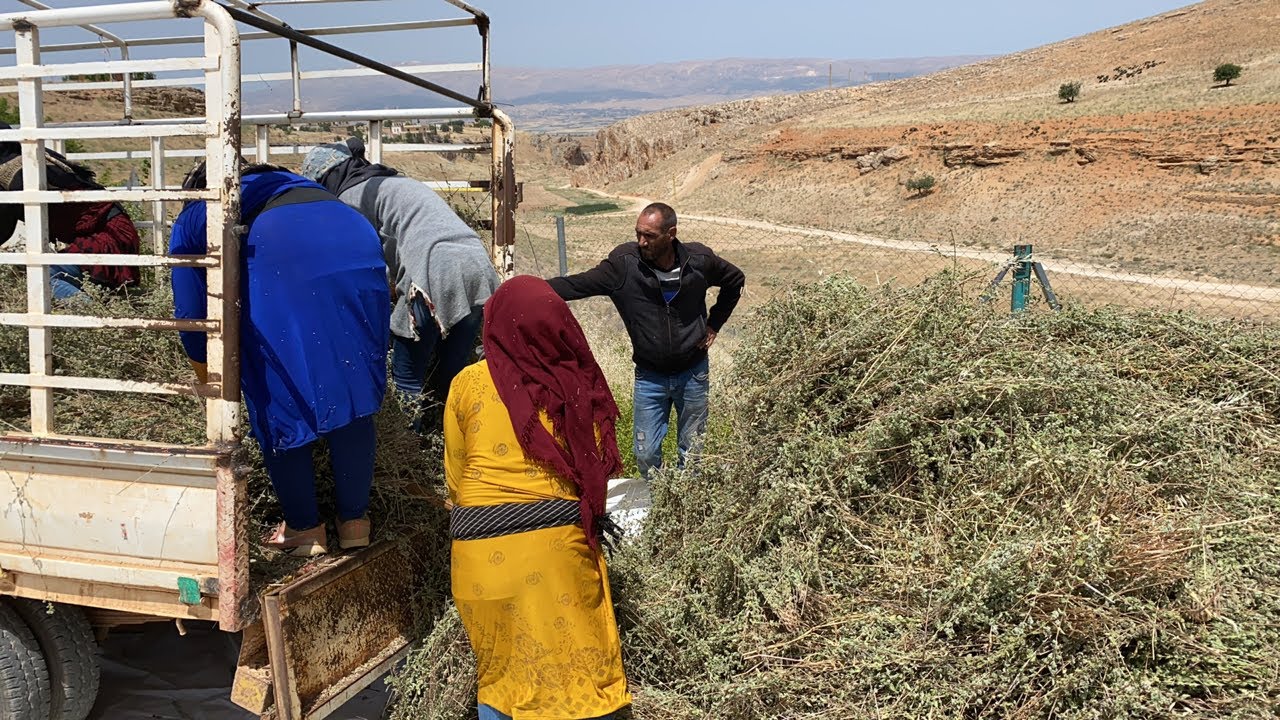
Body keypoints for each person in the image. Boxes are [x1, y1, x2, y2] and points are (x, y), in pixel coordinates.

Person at [170, 161, 390, 556]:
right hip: (354, 234)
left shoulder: (198, 211)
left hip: (282, 249)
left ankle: (304, 528)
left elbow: (191, 313)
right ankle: (355, 522)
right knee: (351, 381)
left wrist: (206, 376)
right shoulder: (291, 185)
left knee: (277, 388)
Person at [444, 275, 631, 720]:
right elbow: (592, 472)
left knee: (500, 677)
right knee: (578, 679)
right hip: (552, 559)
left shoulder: (466, 383)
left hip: (476, 558)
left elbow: (454, 480)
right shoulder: (571, 383)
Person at [299, 138, 499, 433]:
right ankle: (456, 440)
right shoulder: (391, 182)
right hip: (478, 269)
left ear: (326, 178)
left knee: (407, 377)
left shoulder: (351, 198)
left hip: (433, 273)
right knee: (454, 371)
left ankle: (412, 449)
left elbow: (364, 268)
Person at [549, 202, 745, 478]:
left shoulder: (699, 261)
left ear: (671, 234)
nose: (641, 242)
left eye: (649, 236)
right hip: (649, 377)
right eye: (638, 233)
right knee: (646, 453)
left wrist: (715, 324)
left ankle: (685, 499)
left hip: (693, 373)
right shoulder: (624, 266)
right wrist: (526, 290)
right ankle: (661, 495)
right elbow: (576, 285)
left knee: (692, 452)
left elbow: (735, 280)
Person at [0, 122, 141, 299]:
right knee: (43, 272)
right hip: (111, 232)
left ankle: (93, 314)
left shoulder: (17, 171)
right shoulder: (31, 157)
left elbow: (4, 227)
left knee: (43, 275)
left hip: (106, 238)